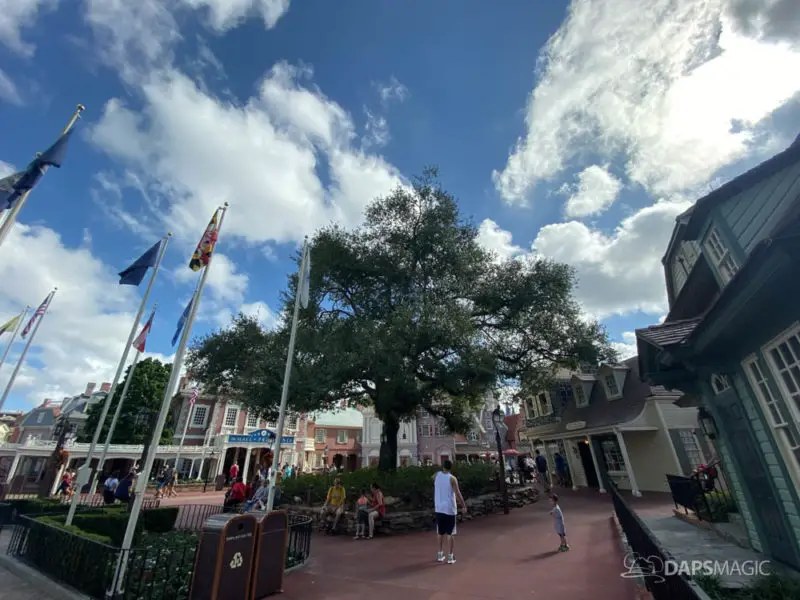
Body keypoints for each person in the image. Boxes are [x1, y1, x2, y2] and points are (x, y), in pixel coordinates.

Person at [432, 459, 467, 564]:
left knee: (440, 532)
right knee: (450, 533)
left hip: (439, 508)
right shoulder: (452, 479)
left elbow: (433, 478)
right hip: (449, 508)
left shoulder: (436, 475)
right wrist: (463, 505)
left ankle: (440, 554)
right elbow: (458, 493)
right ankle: (450, 556)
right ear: (451, 467)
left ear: (443, 466)